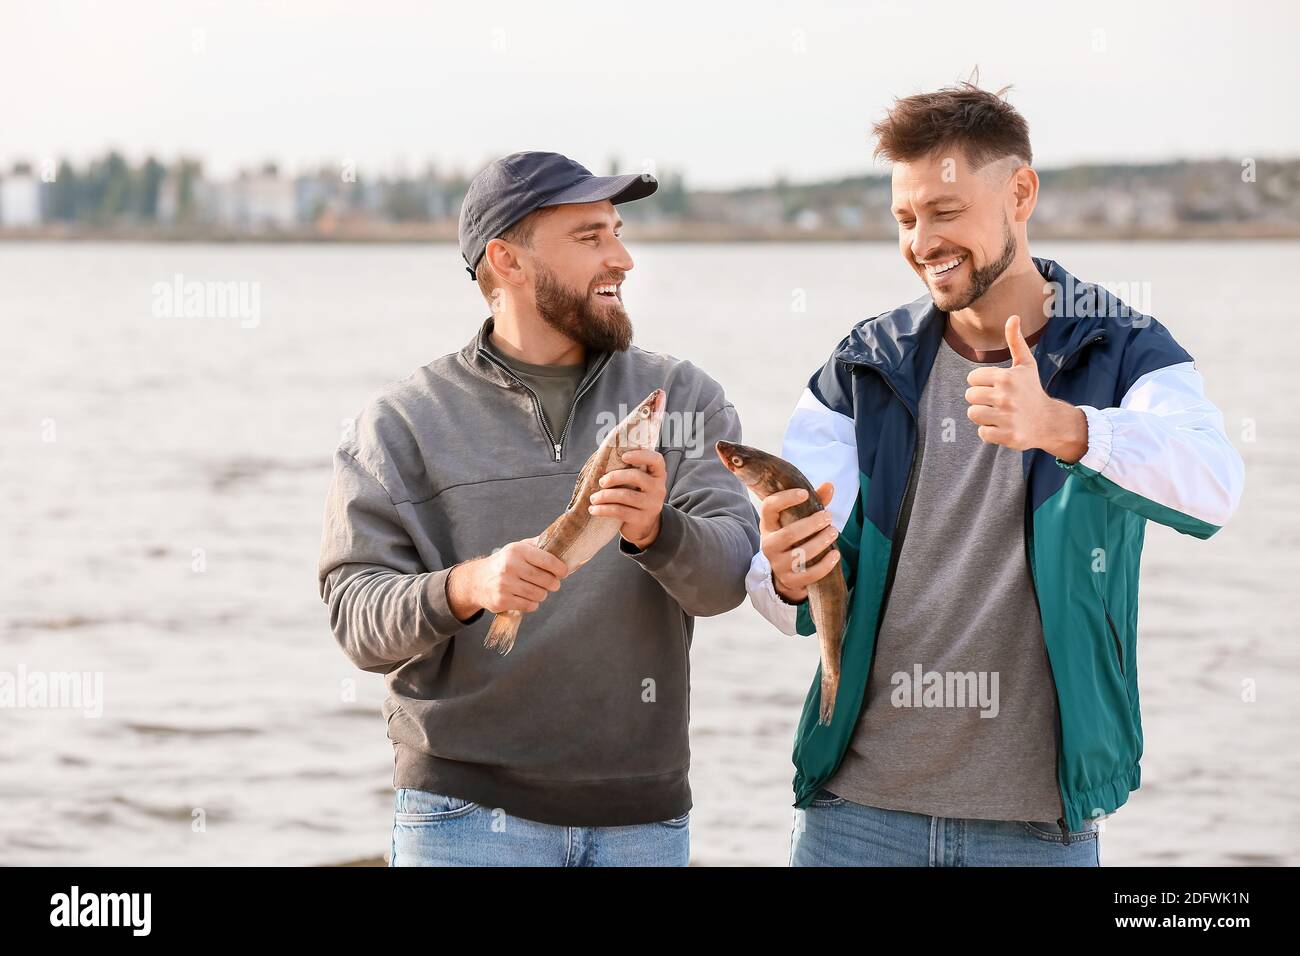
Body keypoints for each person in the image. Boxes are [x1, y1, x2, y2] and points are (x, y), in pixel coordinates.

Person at [746, 84, 1245, 866]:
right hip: (855, 817)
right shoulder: (861, 366)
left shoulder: (1121, 347)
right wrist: (780, 575)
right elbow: (785, 594)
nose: (922, 242)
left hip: (1038, 830)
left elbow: (1216, 484)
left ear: (1020, 193)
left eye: (945, 212)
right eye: (905, 220)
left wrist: (1068, 428)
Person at [318, 151, 759, 866]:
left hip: (643, 821)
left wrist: (657, 529)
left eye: (616, 231)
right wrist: (466, 587)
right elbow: (357, 624)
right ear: (507, 260)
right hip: (461, 816)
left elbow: (730, 578)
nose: (622, 258)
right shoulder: (400, 424)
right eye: (590, 238)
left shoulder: (682, 399)